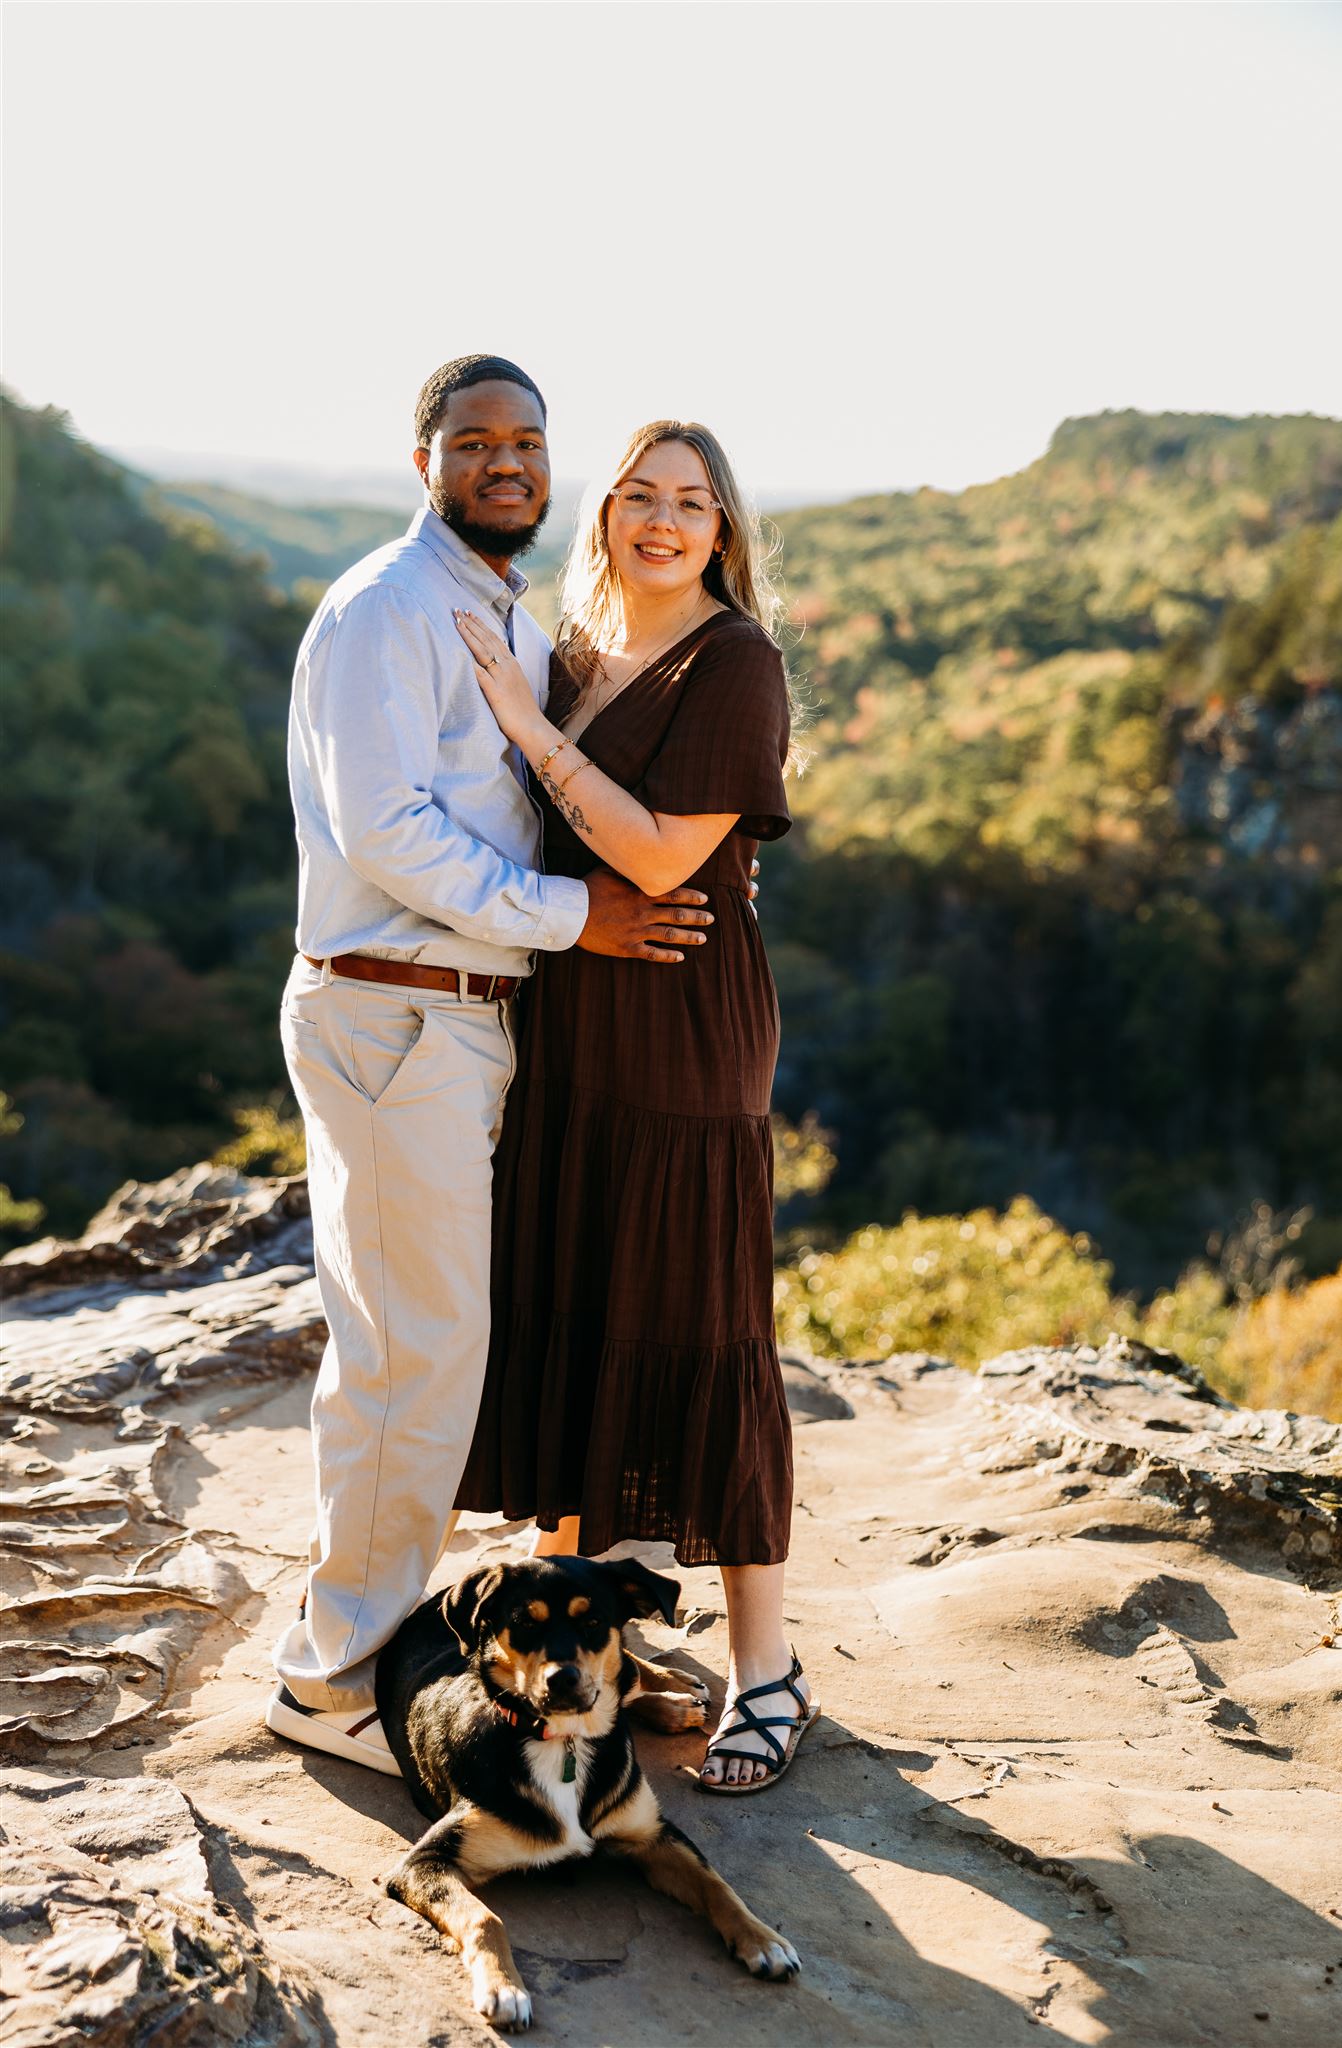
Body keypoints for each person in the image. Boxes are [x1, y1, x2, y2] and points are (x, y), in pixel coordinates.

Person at [267, 358, 714, 1774]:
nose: (506, 461)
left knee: (446, 1343)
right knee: (408, 1354)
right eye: (474, 441)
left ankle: (392, 1636)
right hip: (393, 1014)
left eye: (527, 440)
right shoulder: (386, 610)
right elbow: (387, 831)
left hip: (468, 1019)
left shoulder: (504, 615)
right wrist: (579, 914)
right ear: (426, 460)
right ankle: (333, 1679)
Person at [452, 421, 819, 1792]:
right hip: (571, 1023)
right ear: (605, 513)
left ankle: (769, 1671)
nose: (663, 521)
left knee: (704, 1332)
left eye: (692, 503)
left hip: (682, 1030)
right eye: (640, 497)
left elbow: (663, 858)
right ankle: (577, 1639)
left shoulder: (735, 662)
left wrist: (528, 728)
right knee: (572, 1303)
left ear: (724, 530)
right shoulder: (575, 652)